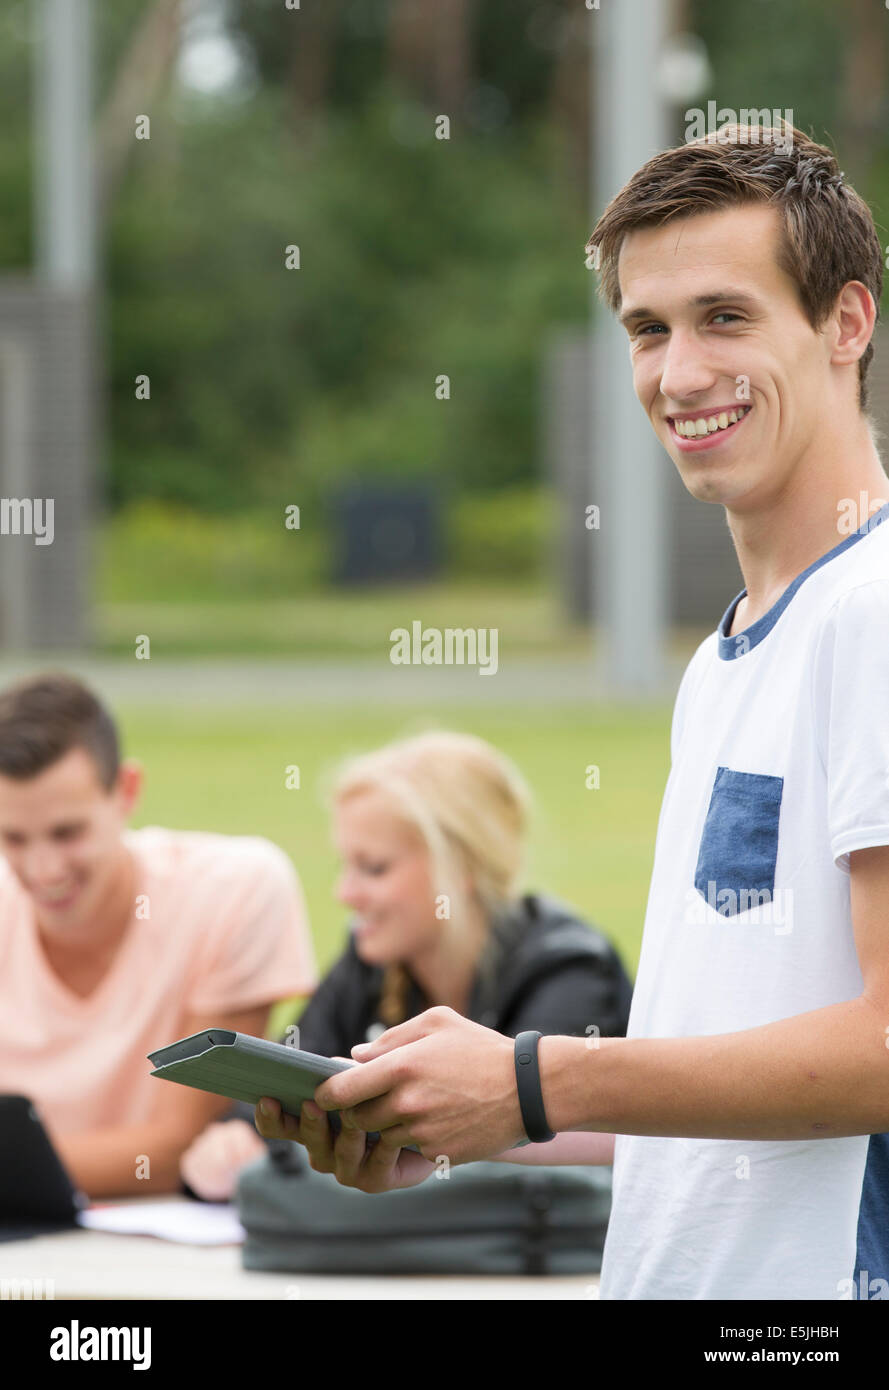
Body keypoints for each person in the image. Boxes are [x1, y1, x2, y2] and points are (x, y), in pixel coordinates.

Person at [257, 122, 889, 1302]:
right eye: (647, 329)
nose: (680, 372)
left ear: (846, 323)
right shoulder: (726, 661)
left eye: (725, 316)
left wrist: (536, 1080)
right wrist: (465, 1121)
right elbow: (732, 1047)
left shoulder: (875, 611)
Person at [180, 729, 632, 1202]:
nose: (345, 893)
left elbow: (534, 1166)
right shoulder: (373, 963)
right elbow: (286, 1073)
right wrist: (237, 1138)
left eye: (373, 868)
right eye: (346, 866)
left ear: (461, 869)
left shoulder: (569, 972)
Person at [0, 672, 317, 1198]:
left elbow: (176, 1149)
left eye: (67, 833)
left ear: (126, 791)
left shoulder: (233, 891)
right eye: (12, 837)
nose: (44, 869)